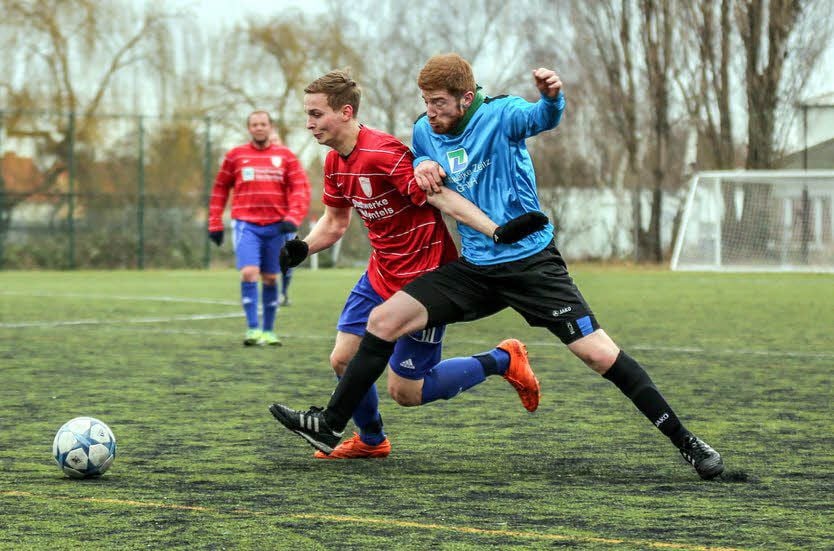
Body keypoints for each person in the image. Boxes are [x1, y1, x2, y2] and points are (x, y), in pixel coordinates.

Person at [270, 54, 725, 480]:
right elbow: (425, 166)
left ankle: (687, 442)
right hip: (475, 268)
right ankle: (331, 424)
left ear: (466, 98)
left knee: (599, 355)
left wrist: (551, 98)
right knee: (382, 321)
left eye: (439, 102)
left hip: (531, 266)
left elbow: (541, 119)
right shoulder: (423, 130)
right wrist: (425, 162)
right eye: (425, 102)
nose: (430, 111)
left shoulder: (502, 114)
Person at [270, 69, 547, 459]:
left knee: (406, 392)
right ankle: (371, 440)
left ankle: (503, 358)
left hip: (424, 278)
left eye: (316, 114)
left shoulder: (384, 153)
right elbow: (334, 222)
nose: (309, 123)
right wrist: (303, 247)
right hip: (380, 273)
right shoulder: (334, 163)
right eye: (308, 114)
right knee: (342, 359)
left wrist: (495, 230)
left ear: (345, 112)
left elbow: (442, 198)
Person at [208, 111, 310, 346]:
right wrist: (215, 221)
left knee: (271, 278)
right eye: (254, 124)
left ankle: (268, 331)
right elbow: (220, 189)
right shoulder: (235, 156)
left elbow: (300, 189)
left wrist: (294, 216)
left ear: (270, 127)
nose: (259, 128)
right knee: (249, 273)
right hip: (247, 225)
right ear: (249, 129)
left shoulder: (286, 157)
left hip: (276, 227)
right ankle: (252, 329)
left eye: (263, 124)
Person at [268, 130, 304, 307]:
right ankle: (272, 294)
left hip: (286, 222)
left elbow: (299, 191)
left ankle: (283, 294)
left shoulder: (290, 166)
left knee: (287, 257)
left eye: (275, 139)